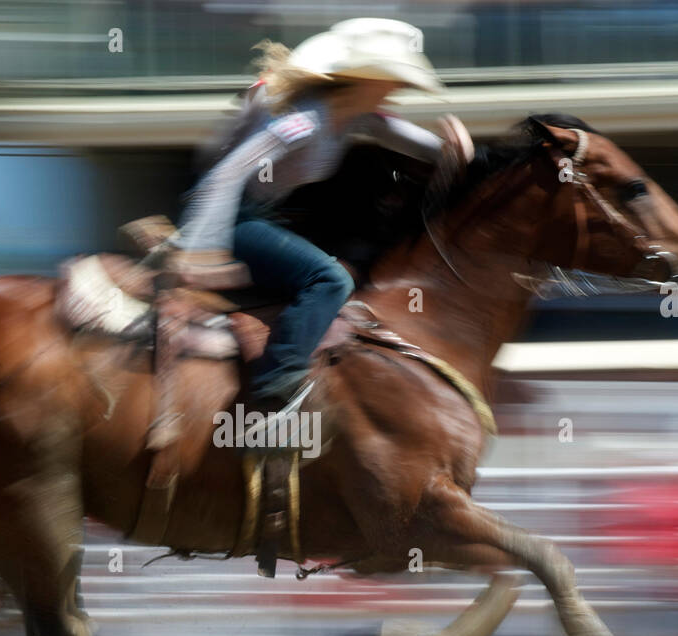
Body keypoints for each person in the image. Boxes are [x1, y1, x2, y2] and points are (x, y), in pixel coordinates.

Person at [167, 18, 464, 407]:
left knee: (344, 274)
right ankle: (276, 385)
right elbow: (227, 174)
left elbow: (407, 137)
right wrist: (202, 247)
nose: (399, 88)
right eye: (395, 79)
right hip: (230, 218)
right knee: (329, 280)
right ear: (367, 80)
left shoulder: (357, 116)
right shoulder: (303, 121)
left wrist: (453, 152)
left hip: (257, 215)